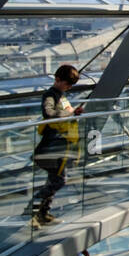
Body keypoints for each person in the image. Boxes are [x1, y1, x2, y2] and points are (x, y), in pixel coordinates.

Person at [29, 64, 84, 228]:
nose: (68, 88)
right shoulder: (50, 95)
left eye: (70, 85)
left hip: (59, 147)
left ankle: (43, 213)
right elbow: (49, 114)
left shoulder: (61, 95)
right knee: (58, 180)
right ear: (57, 79)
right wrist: (71, 113)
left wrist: (74, 113)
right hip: (50, 148)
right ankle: (33, 211)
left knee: (53, 180)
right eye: (67, 84)